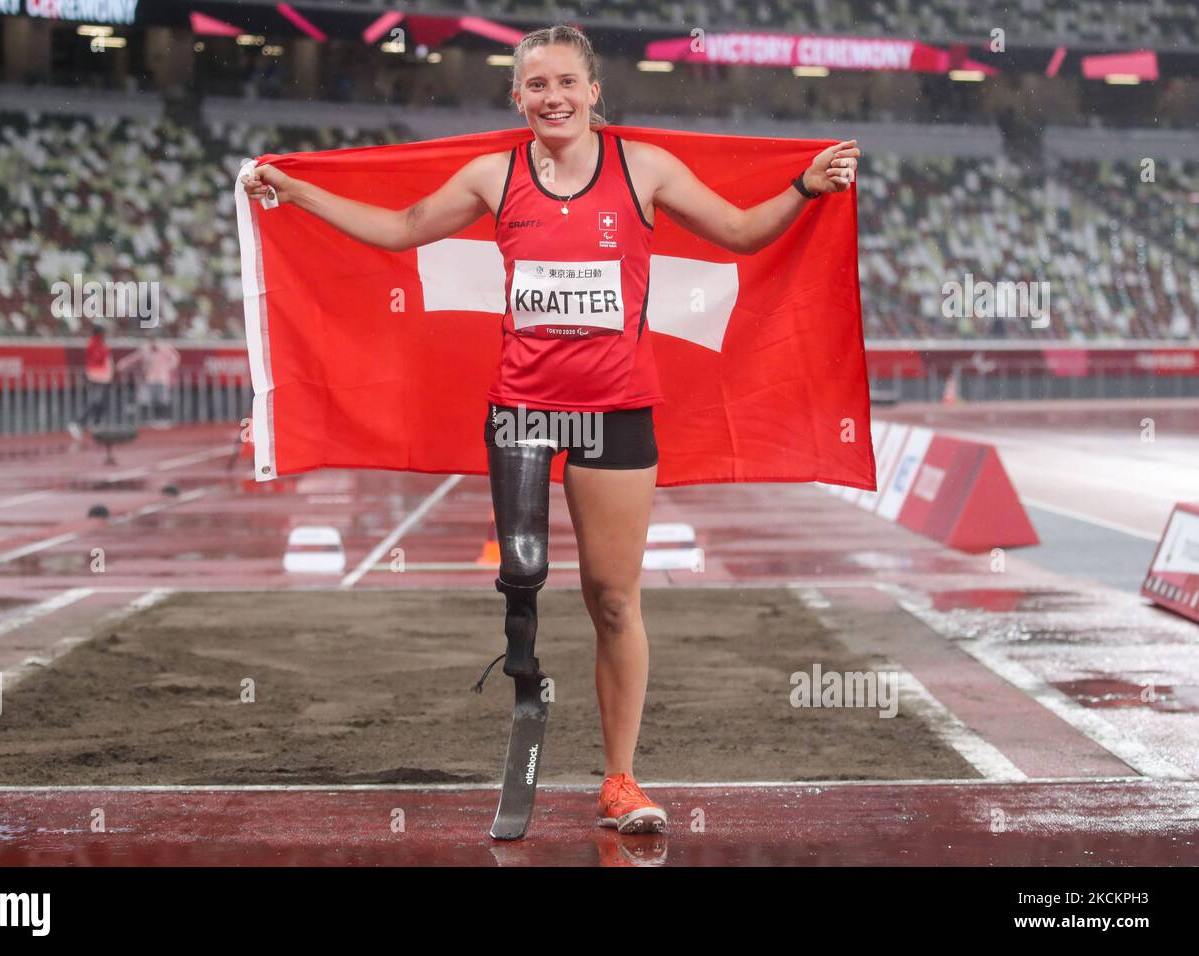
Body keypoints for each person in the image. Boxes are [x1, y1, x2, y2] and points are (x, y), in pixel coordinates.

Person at [243, 24, 858, 835]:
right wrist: (297, 190)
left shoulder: (642, 167)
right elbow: (400, 228)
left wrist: (805, 188)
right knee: (520, 590)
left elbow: (741, 234)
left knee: (612, 599)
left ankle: (620, 779)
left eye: (567, 83)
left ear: (594, 91)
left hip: (616, 414)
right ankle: (527, 691)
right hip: (523, 415)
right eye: (536, 86)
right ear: (517, 97)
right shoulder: (493, 177)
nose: (553, 98)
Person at [116, 330, 180, 427]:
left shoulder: (165, 347)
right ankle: (148, 420)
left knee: (162, 400)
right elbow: (134, 358)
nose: (152, 340)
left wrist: (167, 368)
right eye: (150, 338)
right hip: (149, 378)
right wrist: (121, 365)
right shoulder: (145, 348)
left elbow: (175, 358)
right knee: (147, 400)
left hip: (161, 378)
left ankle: (163, 420)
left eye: (154, 337)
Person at [69, 324, 113, 440]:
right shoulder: (93, 345)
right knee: (95, 401)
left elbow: (107, 362)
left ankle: (97, 425)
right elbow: (94, 361)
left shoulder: (101, 345)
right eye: (103, 333)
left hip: (104, 377)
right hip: (97, 377)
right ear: (99, 333)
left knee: (102, 404)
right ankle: (78, 423)